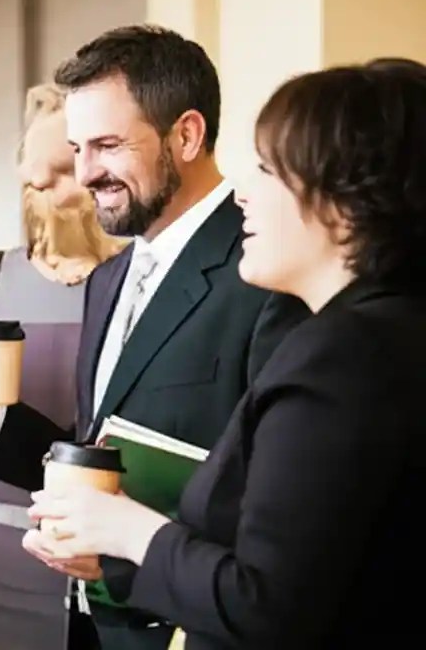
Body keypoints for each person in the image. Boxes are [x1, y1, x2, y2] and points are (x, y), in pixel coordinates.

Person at [26, 58, 426, 649]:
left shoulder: (342, 356)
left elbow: (266, 601)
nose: (244, 193)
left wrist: (129, 532)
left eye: (269, 171)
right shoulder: (389, 329)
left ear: (346, 205)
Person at [0, 25, 309, 650]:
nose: (86, 174)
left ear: (188, 135)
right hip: (97, 623)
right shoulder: (111, 275)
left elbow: (279, 500)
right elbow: (96, 451)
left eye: (108, 146)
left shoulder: (265, 270)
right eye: (77, 148)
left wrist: (127, 550)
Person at [0, 83, 126, 649]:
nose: (43, 188)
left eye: (61, 170)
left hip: (101, 563)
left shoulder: (138, 281)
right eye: (33, 174)